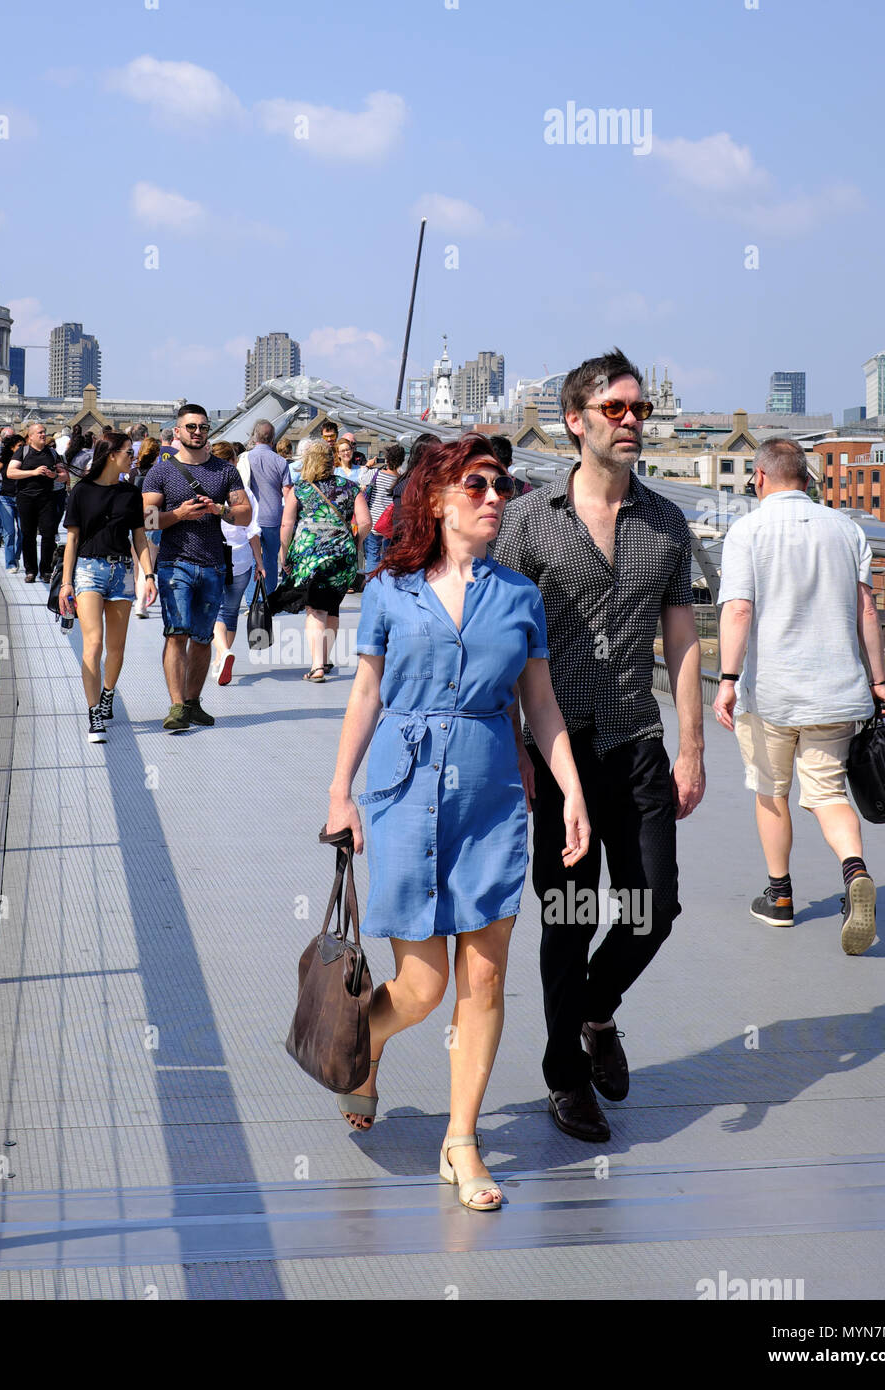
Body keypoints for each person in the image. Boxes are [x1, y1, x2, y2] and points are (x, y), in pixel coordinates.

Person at [324, 435, 590, 1210]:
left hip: (490, 791)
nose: (494, 497)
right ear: (436, 499)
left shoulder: (519, 595)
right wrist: (339, 792)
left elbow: (539, 704)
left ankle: (463, 1140)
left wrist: (571, 791)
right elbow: (366, 695)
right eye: (476, 485)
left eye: (501, 486)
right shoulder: (388, 590)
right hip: (404, 788)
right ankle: (365, 1039)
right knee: (422, 986)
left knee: (486, 973)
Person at [490, 346, 705, 1145]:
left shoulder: (666, 522)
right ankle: (566, 1079)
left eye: (639, 409)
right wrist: (514, 739)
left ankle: (595, 1011)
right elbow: (502, 633)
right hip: (560, 750)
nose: (631, 421)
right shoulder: (526, 521)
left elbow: (681, 637)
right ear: (575, 422)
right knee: (570, 918)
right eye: (615, 409)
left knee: (654, 908)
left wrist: (691, 746)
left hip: (637, 739)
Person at [712, 438, 885, 955]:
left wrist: (726, 678)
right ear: (808, 481)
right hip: (837, 692)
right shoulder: (847, 529)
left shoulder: (747, 530)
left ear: (760, 480)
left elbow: (739, 611)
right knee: (828, 794)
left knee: (773, 792)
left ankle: (780, 897)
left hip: (772, 695)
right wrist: (879, 683)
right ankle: (854, 871)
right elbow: (867, 612)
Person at [142, 403, 251, 733]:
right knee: (177, 634)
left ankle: (193, 703)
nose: (197, 432)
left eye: (203, 427)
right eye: (190, 427)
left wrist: (220, 509)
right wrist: (177, 515)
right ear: (178, 431)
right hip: (175, 563)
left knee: (203, 638)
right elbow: (145, 519)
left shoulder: (225, 471)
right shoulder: (161, 471)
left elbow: (245, 514)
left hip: (214, 564)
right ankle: (176, 707)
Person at [58, 430, 157, 743]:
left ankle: (108, 693)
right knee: (94, 642)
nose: (134, 457)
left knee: (116, 648)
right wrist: (65, 583)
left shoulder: (130, 493)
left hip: (122, 571)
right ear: (112, 455)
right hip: (88, 570)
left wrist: (149, 575)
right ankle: (94, 714)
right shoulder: (81, 492)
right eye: (129, 452)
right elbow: (71, 539)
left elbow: (139, 537)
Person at [276, 440, 371, 680]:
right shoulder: (351, 487)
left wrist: (283, 551)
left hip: (310, 556)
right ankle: (326, 658)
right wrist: (357, 543)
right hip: (342, 556)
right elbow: (366, 521)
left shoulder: (300, 490)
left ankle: (317, 666)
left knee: (314, 609)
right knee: (332, 607)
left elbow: (287, 524)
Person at [210, 452, 265, 686]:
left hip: (213, 554)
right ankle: (221, 657)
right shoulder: (247, 495)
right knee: (230, 611)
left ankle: (222, 653)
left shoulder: (208, 493)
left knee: (215, 611)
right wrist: (259, 562)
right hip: (241, 557)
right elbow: (253, 531)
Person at [6, 421, 68, 583]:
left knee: (48, 534)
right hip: (26, 498)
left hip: (47, 498)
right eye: (39, 432)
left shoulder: (53, 453)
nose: (43, 435)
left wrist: (53, 475)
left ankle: (46, 570)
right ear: (31, 436)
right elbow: (11, 472)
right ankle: (30, 570)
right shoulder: (22, 451)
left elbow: (64, 476)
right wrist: (33, 472)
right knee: (28, 534)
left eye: (44, 432)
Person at [243, 419, 293, 596]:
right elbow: (287, 493)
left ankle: (251, 599)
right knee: (271, 559)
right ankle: (268, 597)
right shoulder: (280, 462)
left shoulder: (245, 458)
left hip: (249, 517)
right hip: (273, 516)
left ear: (254, 437)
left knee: (251, 559)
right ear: (273, 438)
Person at [363, 442, 403, 576]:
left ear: (387, 459)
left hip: (373, 522)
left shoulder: (376, 473)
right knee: (387, 557)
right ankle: (384, 582)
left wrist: (368, 465)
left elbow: (361, 478)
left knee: (372, 555)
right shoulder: (400, 479)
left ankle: (370, 584)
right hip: (388, 525)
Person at [131, 436, 161, 614]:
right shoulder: (158, 473)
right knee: (148, 562)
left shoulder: (132, 473)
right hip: (153, 516)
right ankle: (141, 603)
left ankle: (138, 600)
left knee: (137, 563)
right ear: (156, 453)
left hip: (134, 517)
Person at [0, 427, 22, 573]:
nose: (22, 449)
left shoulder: (27, 459)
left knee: (24, 531)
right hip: (5, 496)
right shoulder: (4, 458)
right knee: (10, 532)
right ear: (12, 447)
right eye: (20, 446)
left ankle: (17, 556)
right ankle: (10, 563)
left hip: (22, 497)